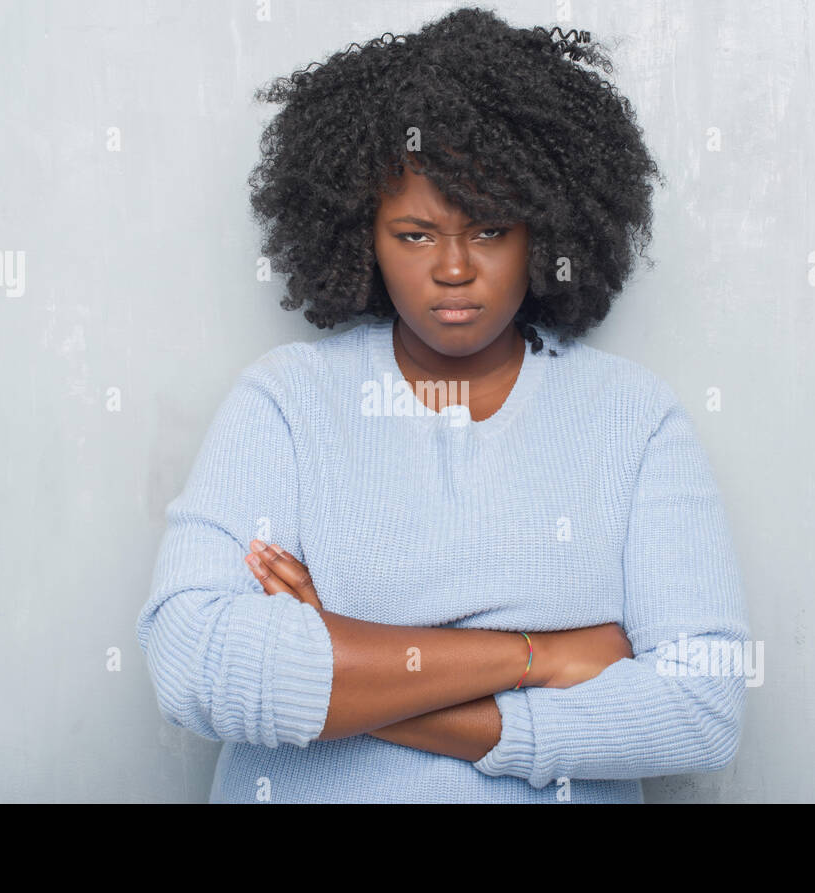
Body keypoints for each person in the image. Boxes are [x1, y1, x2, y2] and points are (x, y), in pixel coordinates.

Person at [136, 6, 750, 803]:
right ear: (363, 235)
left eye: (490, 230)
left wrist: (337, 657)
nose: (454, 268)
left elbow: (702, 707)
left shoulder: (635, 420)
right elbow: (191, 662)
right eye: (416, 234)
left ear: (545, 228)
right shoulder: (284, 403)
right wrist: (537, 655)